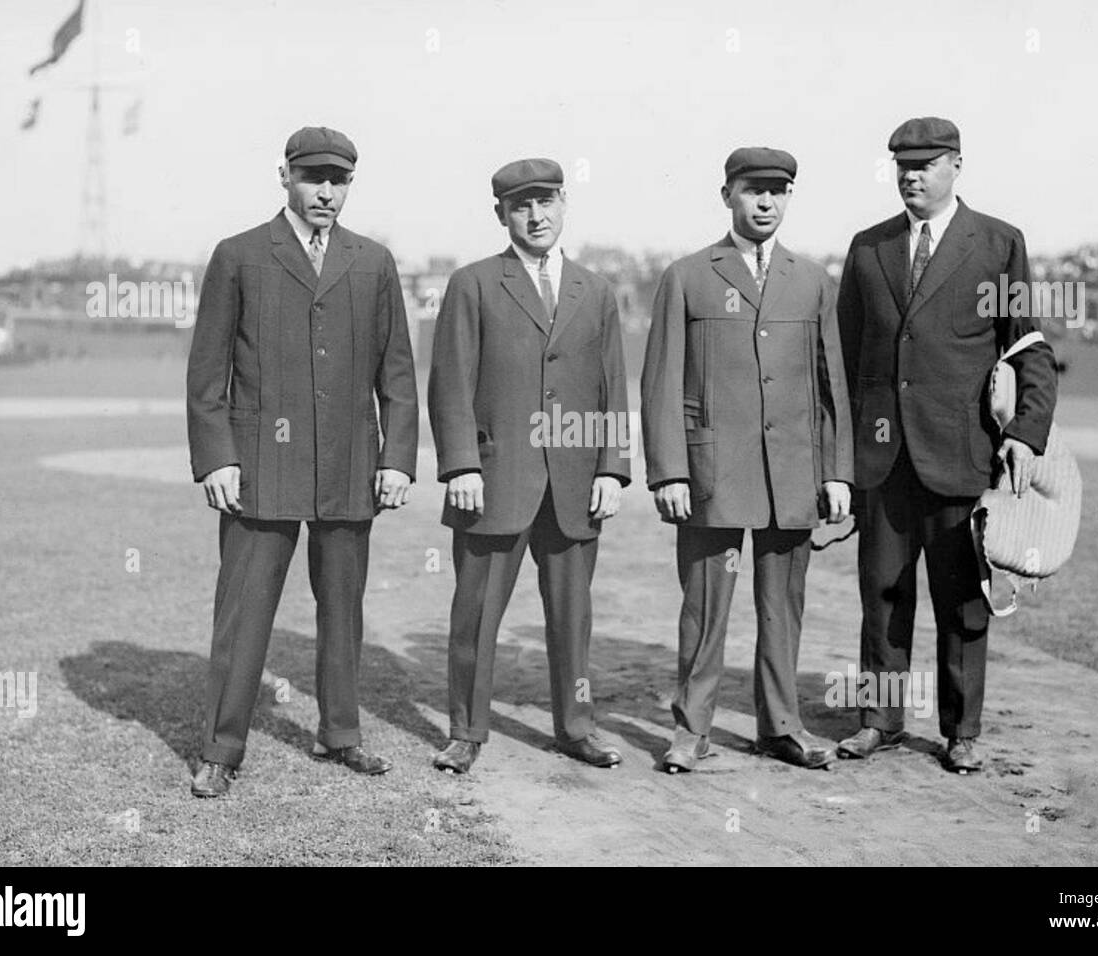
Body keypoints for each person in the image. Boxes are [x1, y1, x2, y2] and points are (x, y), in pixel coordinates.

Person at [185, 126, 418, 797]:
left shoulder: (373, 262)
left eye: (338, 180)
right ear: (283, 175)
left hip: (349, 466)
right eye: (313, 177)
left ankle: (339, 733)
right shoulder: (239, 255)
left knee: (343, 607)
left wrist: (397, 457)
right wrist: (216, 460)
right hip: (260, 467)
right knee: (244, 611)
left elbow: (396, 371)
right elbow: (207, 374)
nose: (325, 191)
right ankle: (222, 750)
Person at [835, 117, 1057, 773]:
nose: (911, 174)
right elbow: (846, 362)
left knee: (960, 602)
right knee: (881, 596)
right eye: (901, 164)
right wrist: (840, 463)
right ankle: (879, 721)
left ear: (956, 164)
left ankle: (961, 731)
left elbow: (1028, 349)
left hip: (961, 458)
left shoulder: (997, 243)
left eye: (925, 164)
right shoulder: (867, 247)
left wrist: (1023, 435)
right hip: (882, 460)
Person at [640, 147, 853, 773]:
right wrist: (669, 471)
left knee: (781, 609)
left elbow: (829, 385)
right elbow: (661, 383)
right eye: (753, 190)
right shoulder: (687, 276)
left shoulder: (813, 280)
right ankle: (692, 729)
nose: (766, 202)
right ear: (727, 194)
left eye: (778, 191)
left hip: (792, 476)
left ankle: (782, 728)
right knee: (705, 609)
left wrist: (836, 474)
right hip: (712, 476)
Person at [427, 158, 631, 774]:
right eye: (521, 206)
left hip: (574, 485)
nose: (536, 216)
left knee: (574, 620)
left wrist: (611, 470)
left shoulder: (595, 290)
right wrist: (461, 465)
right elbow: (449, 383)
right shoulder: (474, 283)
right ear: (501, 214)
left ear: (564, 204)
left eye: (545, 202)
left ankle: (576, 728)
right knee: (476, 613)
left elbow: (613, 385)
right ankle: (467, 732)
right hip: (495, 478)